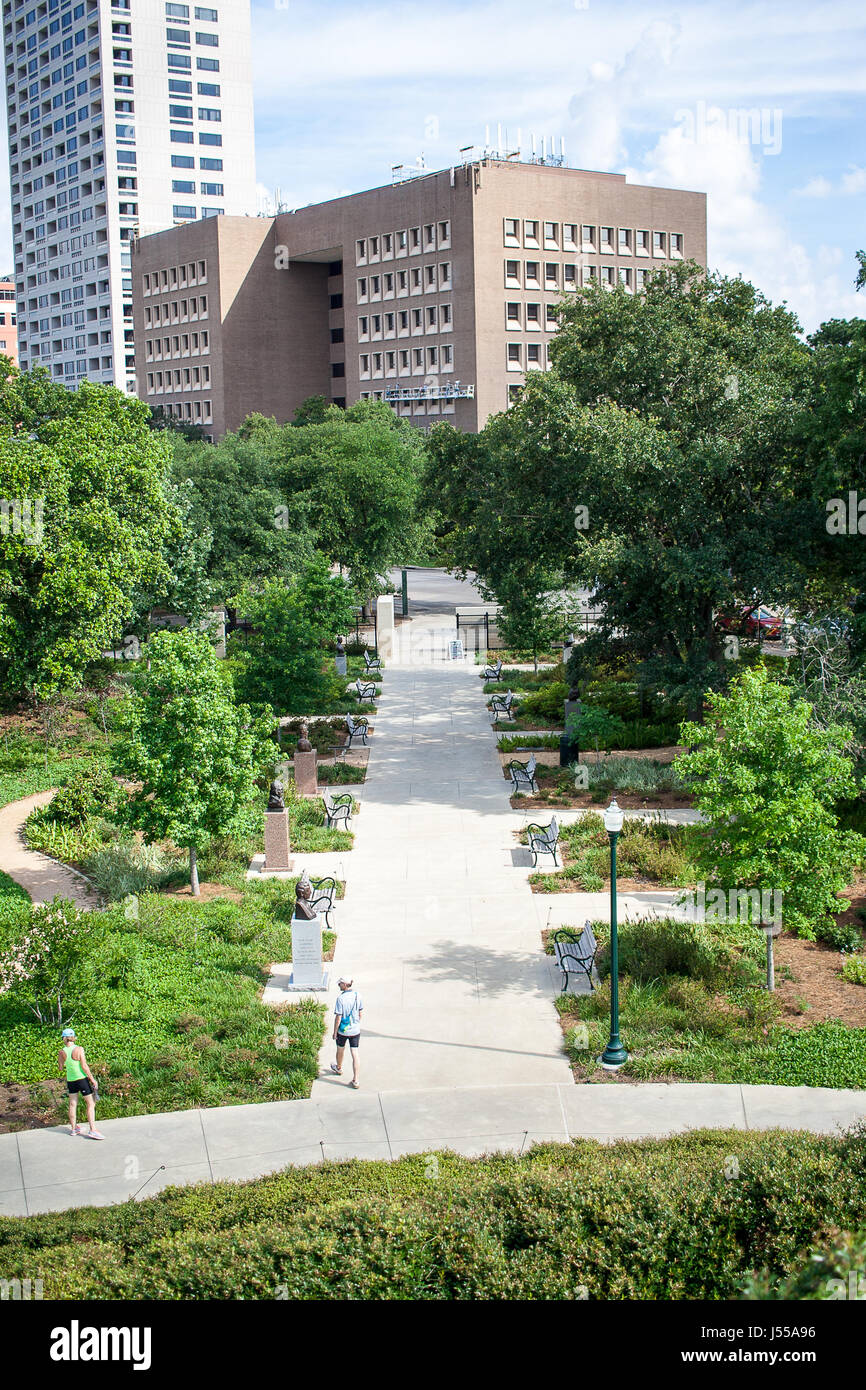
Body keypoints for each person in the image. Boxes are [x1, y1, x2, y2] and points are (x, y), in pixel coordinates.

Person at [58, 1028, 104, 1139]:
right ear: (73, 1037)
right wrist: (92, 1079)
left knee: (72, 1104)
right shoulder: (79, 1049)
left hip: (71, 1081)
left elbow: (60, 1068)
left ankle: (74, 1129)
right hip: (82, 1080)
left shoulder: (61, 1052)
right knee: (91, 1103)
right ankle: (92, 1130)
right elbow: (84, 1066)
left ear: (64, 1038)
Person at [329, 976, 363, 1089]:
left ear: (344, 984)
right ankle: (356, 1080)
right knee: (355, 1053)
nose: (339, 986)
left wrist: (335, 1032)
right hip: (355, 1030)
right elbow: (360, 1014)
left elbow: (338, 1017)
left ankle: (338, 1068)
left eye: (340, 984)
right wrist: (356, 1024)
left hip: (343, 1031)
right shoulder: (358, 995)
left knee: (340, 1050)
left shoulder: (340, 999)